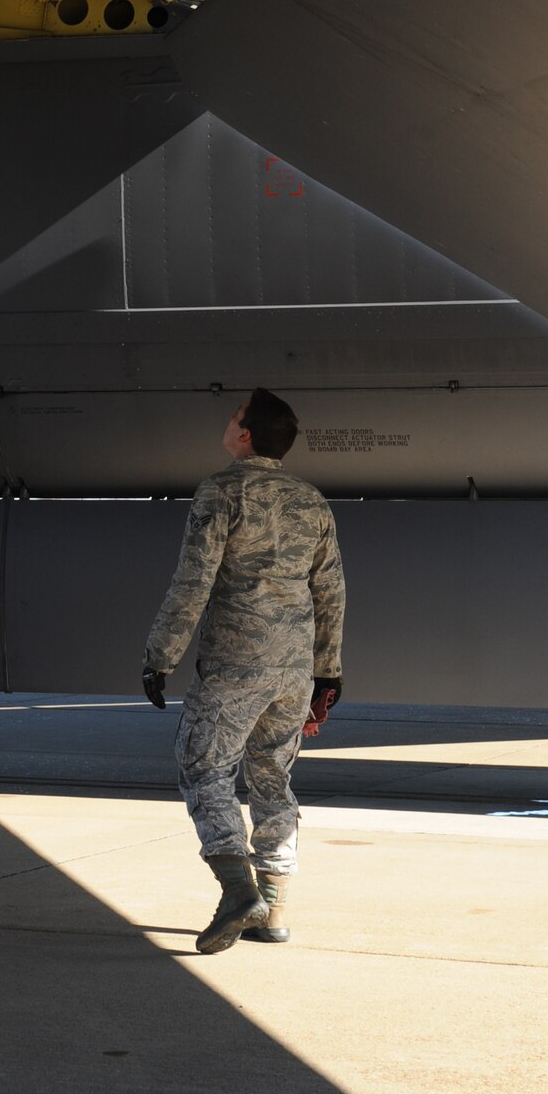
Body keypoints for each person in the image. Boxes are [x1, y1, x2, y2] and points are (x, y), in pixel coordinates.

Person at [141, 389, 345, 954]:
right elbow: (330, 590)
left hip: (236, 662)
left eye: (234, 416)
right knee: (272, 779)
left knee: (204, 768)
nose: (228, 422)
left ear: (245, 434)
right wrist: (327, 675)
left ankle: (237, 892)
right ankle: (273, 909)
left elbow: (194, 580)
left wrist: (161, 655)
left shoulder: (221, 491)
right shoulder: (310, 500)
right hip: (294, 668)